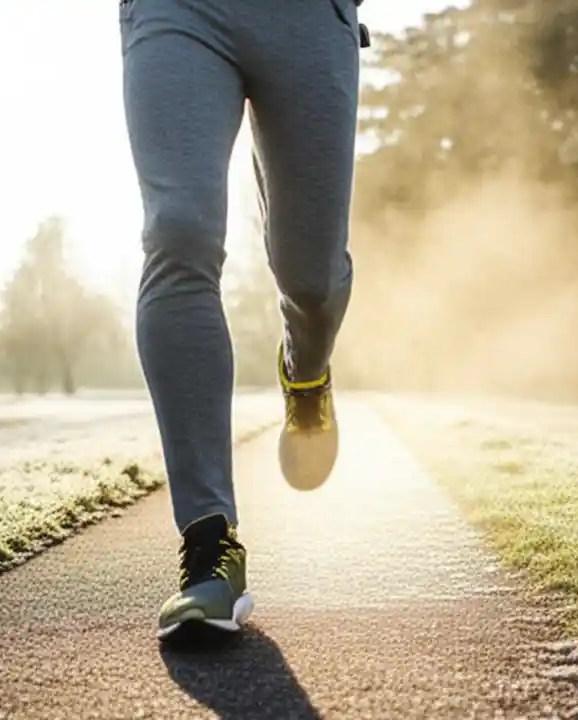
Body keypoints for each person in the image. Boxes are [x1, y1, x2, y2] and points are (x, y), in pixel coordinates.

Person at [118, 0, 368, 638]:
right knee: (178, 233)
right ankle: (209, 547)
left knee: (311, 277)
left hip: (307, 18)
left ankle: (305, 367)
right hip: (177, 13)